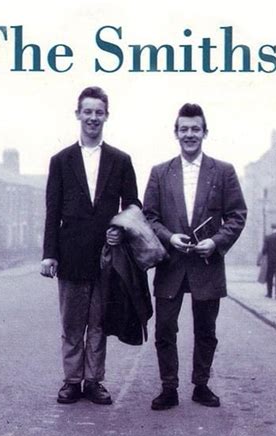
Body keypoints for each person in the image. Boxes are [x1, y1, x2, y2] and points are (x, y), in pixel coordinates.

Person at [143, 103, 247, 410]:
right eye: (184, 129)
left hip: (207, 263)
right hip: (170, 264)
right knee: (164, 328)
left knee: (206, 329)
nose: (190, 134)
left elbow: (237, 214)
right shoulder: (160, 172)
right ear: (176, 133)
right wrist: (169, 237)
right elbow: (149, 216)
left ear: (205, 132)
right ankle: (169, 388)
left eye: (195, 129)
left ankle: (201, 385)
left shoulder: (223, 171)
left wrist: (216, 242)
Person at [40, 86, 140, 405]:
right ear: (78, 114)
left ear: (106, 116)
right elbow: (52, 210)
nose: (93, 117)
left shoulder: (121, 160)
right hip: (70, 255)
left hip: (106, 257)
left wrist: (119, 232)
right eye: (88, 111)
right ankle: (72, 381)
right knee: (72, 324)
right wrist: (49, 255)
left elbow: (133, 206)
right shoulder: (61, 160)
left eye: (99, 112)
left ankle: (94, 381)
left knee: (98, 322)